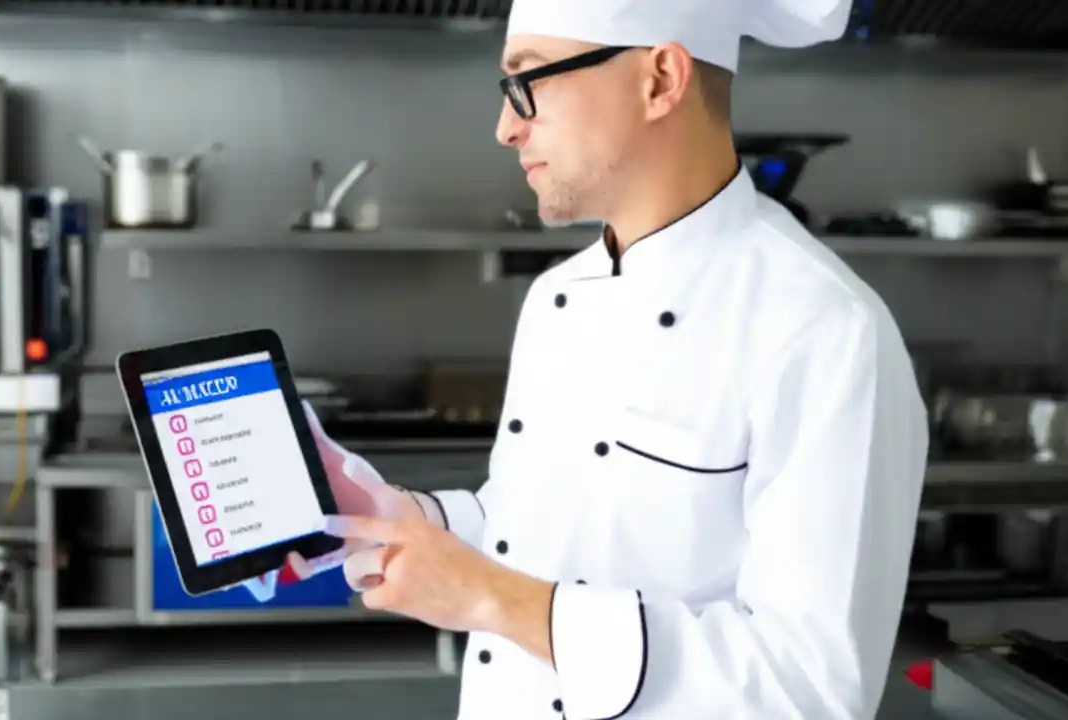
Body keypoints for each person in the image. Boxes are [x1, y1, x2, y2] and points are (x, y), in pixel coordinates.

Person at [264, 0, 930, 716]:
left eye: (531, 80)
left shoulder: (824, 329)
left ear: (660, 80)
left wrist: (495, 599)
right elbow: (549, 527)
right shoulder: (560, 295)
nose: (506, 126)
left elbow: (807, 691)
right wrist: (406, 518)